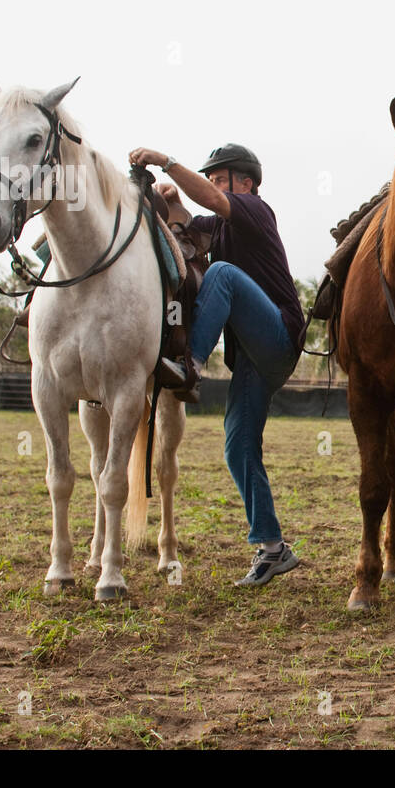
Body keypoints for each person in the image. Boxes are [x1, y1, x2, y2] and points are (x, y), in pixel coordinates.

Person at [127, 142, 307, 588]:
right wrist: (172, 201)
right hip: (250, 359)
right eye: (211, 179)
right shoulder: (221, 226)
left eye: (220, 179)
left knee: (221, 273)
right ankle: (273, 547)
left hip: (278, 337)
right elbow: (187, 223)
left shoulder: (256, 210)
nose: (213, 186)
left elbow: (209, 201)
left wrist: (166, 162)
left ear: (246, 183)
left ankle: (188, 364)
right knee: (237, 447)